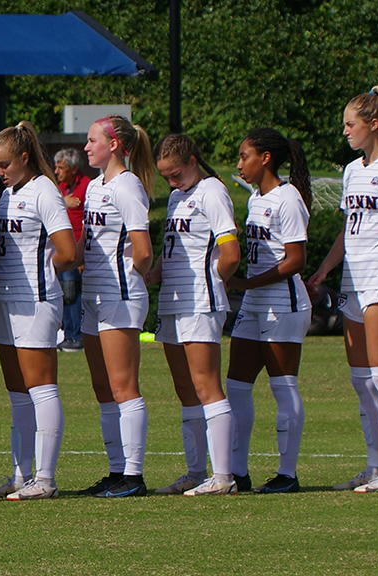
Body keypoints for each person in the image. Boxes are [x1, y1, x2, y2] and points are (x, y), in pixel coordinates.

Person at [306, 85, 378, 493]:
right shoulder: (351, 171)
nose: (345, 131)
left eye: (350, 124)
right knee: (361, 379)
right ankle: (375, 466)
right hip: (352, 283)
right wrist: (324, 271)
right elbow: (349, 230)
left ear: (373, 124)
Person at [0, 121, 76, 500]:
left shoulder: (45, 191)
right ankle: (21, 475)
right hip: (6, 300)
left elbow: (68, 252)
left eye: (4, 164)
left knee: (41, 387)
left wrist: (40, 273)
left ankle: (46, 478)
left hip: (35, 301)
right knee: (17, 392)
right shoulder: (9, 194)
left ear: (24, 157)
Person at [146, 134, 240, 496]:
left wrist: (213, 281)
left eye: (176, 174)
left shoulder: (212, 191)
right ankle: (195, 472)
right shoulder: (176, 197)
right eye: (166, 177)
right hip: (173, 301)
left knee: (206, 386)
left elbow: (230, 252)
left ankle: (223, 477)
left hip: (199, 301)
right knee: (185, 390)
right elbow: (174, 246)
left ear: (192, 162)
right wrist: (156, 272)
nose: (172, 182)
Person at [226, 128, 312, 494]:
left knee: (282, 385)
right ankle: (237, 472)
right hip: (255, 303)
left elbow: (296, 260)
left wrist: (246, 283)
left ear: (265, 158)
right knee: (236, 387)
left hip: (283, 303)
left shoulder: (288, 198)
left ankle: (287, 475)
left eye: (244, 156)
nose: (239, 164)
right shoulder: (256, 198)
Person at [76, 115, 155, 498]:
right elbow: (86, 245)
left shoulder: (127, 186)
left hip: (119, 295)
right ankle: (116, 470)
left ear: (114, 145)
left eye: (93, 140)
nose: (87, 147)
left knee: (123, 386)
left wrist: (130, 278)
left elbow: (143, 252)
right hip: (93, 295)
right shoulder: (95, 186)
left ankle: (134, 477)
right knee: (103, 387)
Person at [53, 148, 90, 352]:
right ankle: (69, 334)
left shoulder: (86, 186)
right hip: (63, 249)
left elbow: (87, 222)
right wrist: (63, 202)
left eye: (61, 167)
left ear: (74, 168)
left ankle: (77, 336)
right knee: (66, 293)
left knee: (74, 292)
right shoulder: (61, 188)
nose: (57, 171)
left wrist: (83, 253)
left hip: (77, 249)